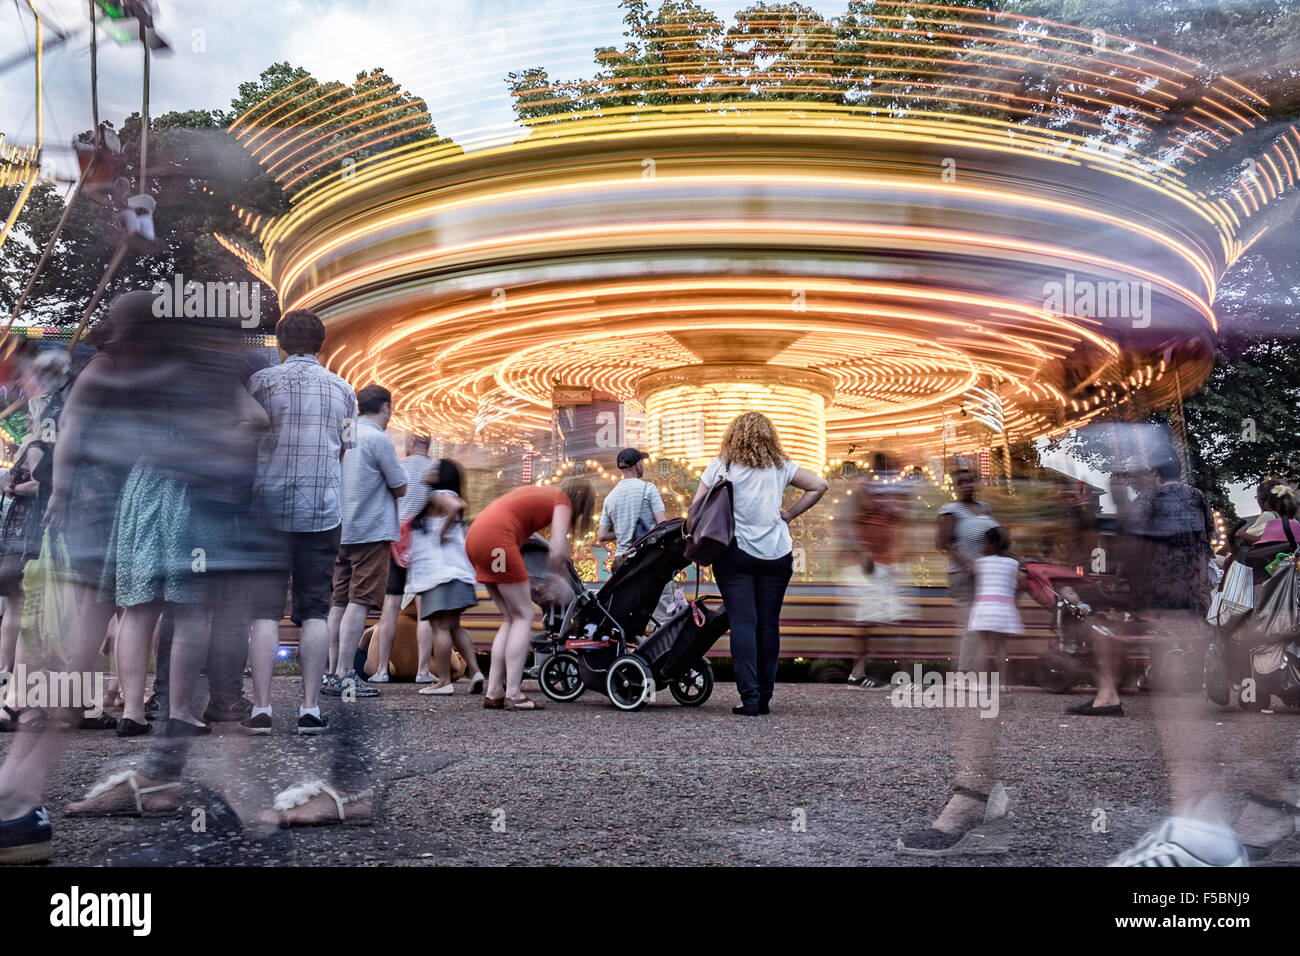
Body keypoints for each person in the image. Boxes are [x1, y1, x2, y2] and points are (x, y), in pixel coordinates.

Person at [241, 310, 356, 736]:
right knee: (314, 610)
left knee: (265, 611)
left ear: (280, 343)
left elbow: (247, 439)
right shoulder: (345, 389)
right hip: (322, 512)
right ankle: (309, 709)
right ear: (321, 345)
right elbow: (345, 448)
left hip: (267, 511)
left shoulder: (261, 384)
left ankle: (262, 708)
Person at [689, 411, 827, 716]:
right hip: (777, 553)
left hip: (734, 552)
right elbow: (819, 485)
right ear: (769, 437)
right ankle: (765, 698)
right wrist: (789, 514)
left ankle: (749, 699)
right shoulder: (780, 466)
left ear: (733, 436)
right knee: (768, 624)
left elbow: (695, 511)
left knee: (743, 623)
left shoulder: (721, 466)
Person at [465, 477, 595, 710]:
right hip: (497, 540)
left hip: (476, 539)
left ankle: (494, 691)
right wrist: (556, 582)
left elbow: (524, 533)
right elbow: (556, 550)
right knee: (523, 616)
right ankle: (513, 694)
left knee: (510, 617)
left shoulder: (536, 492)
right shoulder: (561, 501)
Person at [323, 385, 407, 698]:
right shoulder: (378, 438)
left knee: (339, 602)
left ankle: (331, 672)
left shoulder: (347, 431)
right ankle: (347, 675)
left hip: (339, 528)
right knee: (359, 601)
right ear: (386, 407)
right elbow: (400, 487)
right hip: (370, 532)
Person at [406, 459, 483, 696]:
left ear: (442, 476)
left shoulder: (438, 495)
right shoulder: (441, 496)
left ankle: (443, 681)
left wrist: (441, 532)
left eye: (434, 469)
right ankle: (476, 671)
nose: (428, 470)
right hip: (458, 573)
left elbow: (456, 506)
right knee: (454, 626)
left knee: (439, 627)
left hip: (440, 575)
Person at [369, 434, 435, 683]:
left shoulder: (398, 466)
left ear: (409, 444)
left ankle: (382, 670)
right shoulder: (434, 471)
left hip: (395, 543)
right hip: (424, 546)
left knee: (389, 609)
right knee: (424, 612)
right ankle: (423, 671)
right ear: (430, 443)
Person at [841, 472, 907, 688]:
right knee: (867, 621)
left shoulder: (883, 490)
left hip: (883, 566)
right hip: (869, 567)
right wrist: (862, 553)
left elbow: (896, 519)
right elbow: (846, 525)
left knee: (888, 620)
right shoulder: (864, 489)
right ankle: (858, 673)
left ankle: (891, 673)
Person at [936, 469, 999, 671]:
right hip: (963, 574)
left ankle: (979, 668)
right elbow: (943, 543)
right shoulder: (951, 510)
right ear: (955, 487)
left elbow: (997, 540)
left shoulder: (985, 508)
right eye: (961, 482)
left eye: (970, 481)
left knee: (986, 623)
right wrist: (968, 563)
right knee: (971, 623)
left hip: (987, 574)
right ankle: (964, 670)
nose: (967, 486)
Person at [597, 447, 667, 570]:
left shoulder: (610, 497)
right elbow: (662, 524)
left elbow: (602, 535)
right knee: (663, 589)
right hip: (647, 559)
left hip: (621, 563)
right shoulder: (648, 488)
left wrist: (621, 531)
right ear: (638, 465)